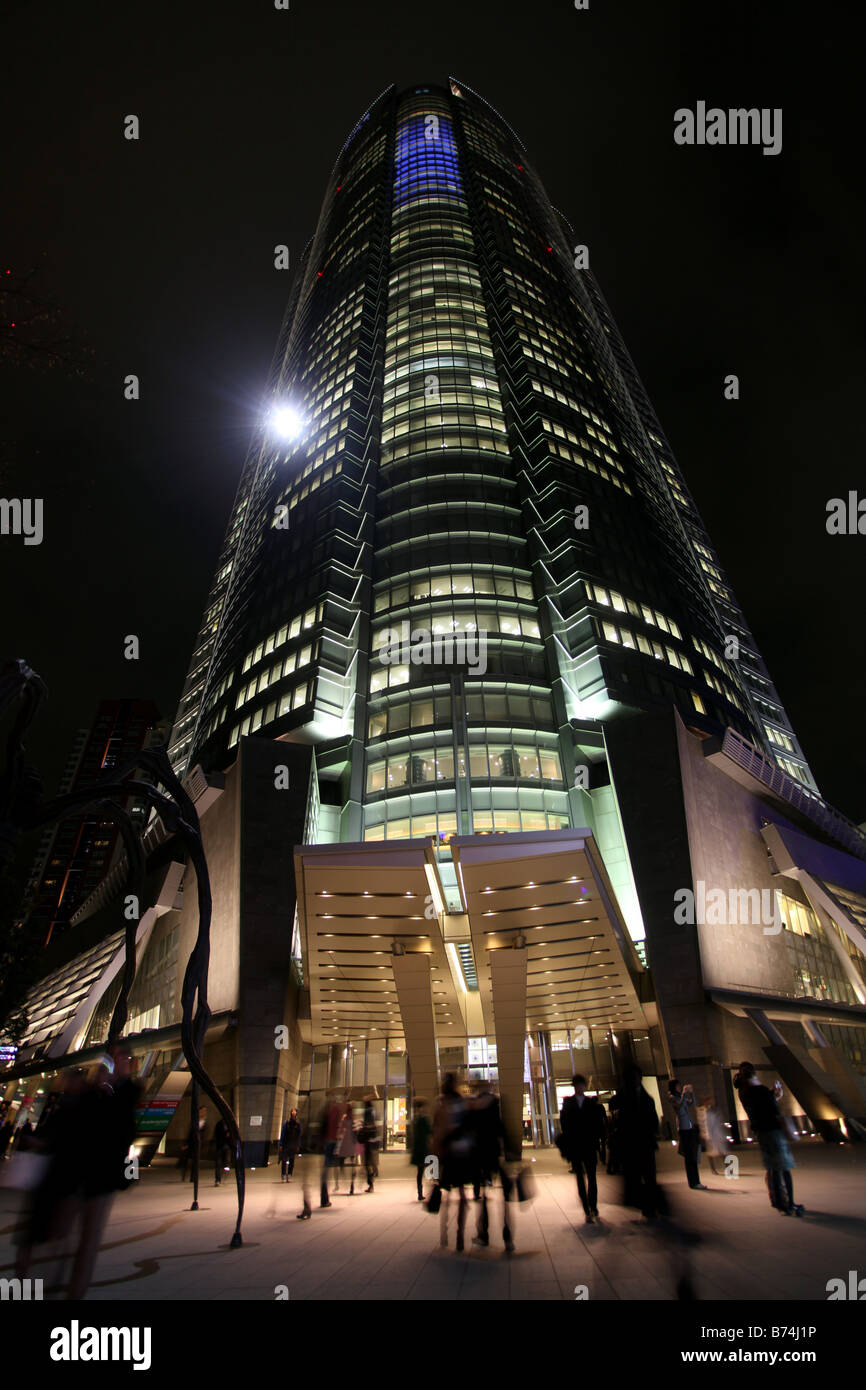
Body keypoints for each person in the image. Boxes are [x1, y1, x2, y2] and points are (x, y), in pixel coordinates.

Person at [66, 1046, 140, 1299]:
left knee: (88, 1239)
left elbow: (124, 1127)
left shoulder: (126, 1091)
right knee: (72, 1234)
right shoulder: (99, 1092)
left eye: (122, 1058)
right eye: (114, 1058)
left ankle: (74, 1292)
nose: (117, 1062)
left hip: (102, 1175)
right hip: (80, 1171)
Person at [734, 1062, 803, 1216]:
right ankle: (790, 1204)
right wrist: (776, 1096)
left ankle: (778, 1202)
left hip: (761, 1133)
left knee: (773, 1168)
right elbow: (772, 1109)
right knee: (784, 1168)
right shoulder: (760, 1090)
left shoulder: (743, 1092)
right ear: (754, 1073)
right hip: (773, 1132)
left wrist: (771, 1095)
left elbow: (762, 1104)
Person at [467, 1080, 514, 1252]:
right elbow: (502, 1127)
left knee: (484, 1197)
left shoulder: (474, 1106)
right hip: (495, 1154)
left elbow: (469, 1130)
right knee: (504, 1199)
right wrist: (509, 1151)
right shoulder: (496, 1104)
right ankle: (507, 1235)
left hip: (481, 1156)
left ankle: (483, 1234)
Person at [613, 1063, 663, 1219]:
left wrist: (655, 1133)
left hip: (646, 1142)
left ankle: (650, 1207)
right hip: (631, 1144)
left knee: (650, 1176)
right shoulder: (624, 1096)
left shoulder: (647, 1098)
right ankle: (644, 1204)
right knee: (635, 1176)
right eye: (631, 1078)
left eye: (636, 1077)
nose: (634, 1080)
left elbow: (653, 1117)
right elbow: (614, 1107)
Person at [432, 1073, 472, 1251]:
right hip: (462, 1154)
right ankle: (460, 1234)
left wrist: (431, 1170)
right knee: (462, 1195)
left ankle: (444, 1233)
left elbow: (436, 1137)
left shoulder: (441, 1106)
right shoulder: (462, 1104)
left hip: (447, 1156)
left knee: (446, 1196)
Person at [559, 1074, 606, 1223]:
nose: (580, 1087)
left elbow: (597, 1125)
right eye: (577, 1085)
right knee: (580, 1178)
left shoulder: (590, 1103)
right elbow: (565, 1124)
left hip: (589, 1145)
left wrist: (599, 1142)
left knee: (591, 1177)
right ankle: (586, 1207)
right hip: (576, 1146)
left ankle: (593, 1205)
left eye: (581, 1085)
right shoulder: (568, 1103)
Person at [668, 1079, 707, 1190]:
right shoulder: (672, 1097)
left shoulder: (680, 1096)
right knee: (689, 1156)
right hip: (684, 1129)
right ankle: (694, 1182)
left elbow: (692, 1103)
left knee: (693, 1155)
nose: (680, 1087)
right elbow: (679, 1108)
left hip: (689, 1127)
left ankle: (696, 1181)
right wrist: (684, 1094)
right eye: (678, 1086)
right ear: (673, 1087)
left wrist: (691, 1093)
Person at [318, 1090, 343, 1207]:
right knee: (331, 1167)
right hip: (332, 1142)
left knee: (326, 1169)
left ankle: (324, 1197)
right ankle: (325, 1197)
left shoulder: (324, 1110)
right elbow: (339, 1126)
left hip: (326, 1142)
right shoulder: (335, 1109)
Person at [408, 1098, 432, 1201]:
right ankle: (424, 1191)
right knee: (430, 1168)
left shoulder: (416, 1119)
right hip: (423, 1148)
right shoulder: (423, 1119)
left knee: (420, 1171)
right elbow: (430, 1131)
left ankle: (420, 1192)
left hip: (418, 1149)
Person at [336, 1096, 362, 1194]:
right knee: (353, 1165)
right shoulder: (353, 1119)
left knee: (341, 1162)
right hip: (352, 1144)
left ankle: (344, 1181)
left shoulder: (345, 1119)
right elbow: (357, 1130)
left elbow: (340, 1131)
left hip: (345, 1144)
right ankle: (352, 1184)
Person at [697, 1097, 727, 1177]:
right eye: (710, 1101)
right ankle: (713, 1168)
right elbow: (704, 1124)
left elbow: (719, 1121)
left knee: (722, 1151)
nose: (712, 1102)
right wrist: (707, 1135)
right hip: (710, 1135)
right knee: (711, 1152)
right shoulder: (703, 1111)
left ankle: (727, 1167)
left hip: (718, 1133)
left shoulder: (714, 1110)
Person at [359, 1096, 380, 1193]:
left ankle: (370, 1181)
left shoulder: (367, 1111)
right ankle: (373, 1173)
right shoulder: (373, 1110)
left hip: (367, 1139)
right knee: (371, 1158)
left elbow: (367, 1124)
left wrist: (363, 1126)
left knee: (367, 1161)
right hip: (373, 1139)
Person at [279, 1108, 302, 1181]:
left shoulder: (298, 1124)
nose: (293, 1113)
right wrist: (281, 1144)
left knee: (291, 1160)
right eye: (292, 1111)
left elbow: (299, 1135)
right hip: (286, 1144)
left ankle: (289, 1174)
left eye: (295, 1112)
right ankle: (283, 1174)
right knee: (284, 1160)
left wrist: (298, 1145)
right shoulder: (286, 1123)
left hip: (293, 1144)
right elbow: (283, 1134)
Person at [213, 1116, 231, 1185]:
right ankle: (218, 1179)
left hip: (227, 1145)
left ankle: (224, 1175)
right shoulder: (219, 1124)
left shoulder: (230, 1124)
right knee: (218, 1163)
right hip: (220, 1145)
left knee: (227, 1162)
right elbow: (216, 1135)